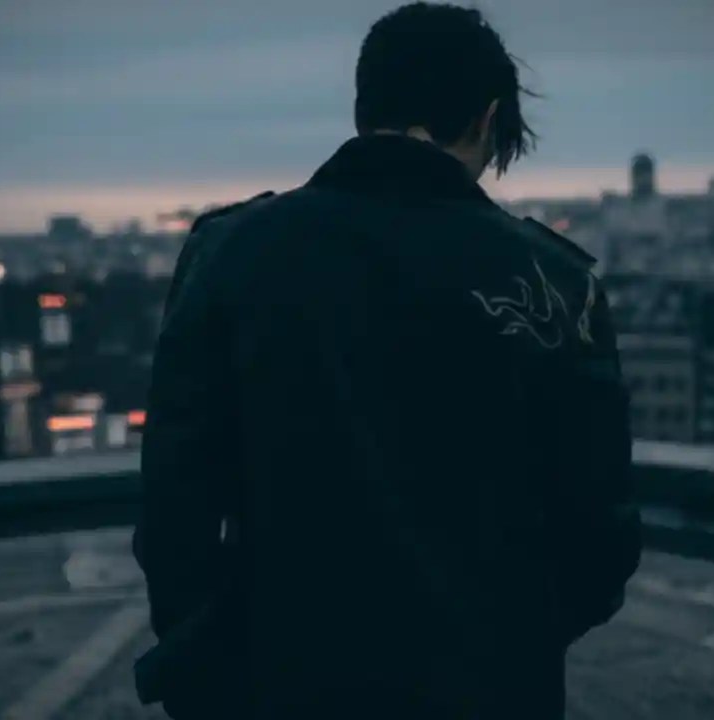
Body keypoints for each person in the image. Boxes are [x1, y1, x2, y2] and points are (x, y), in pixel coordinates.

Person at [132, 3, 639, 718]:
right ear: (489, 119)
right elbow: (600, 535)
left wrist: (213, 669)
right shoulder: (555, 283)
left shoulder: (233, 253)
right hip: (490, 687)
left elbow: (174, 510)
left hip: (284, 682)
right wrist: (508, 642)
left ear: (364, 107)